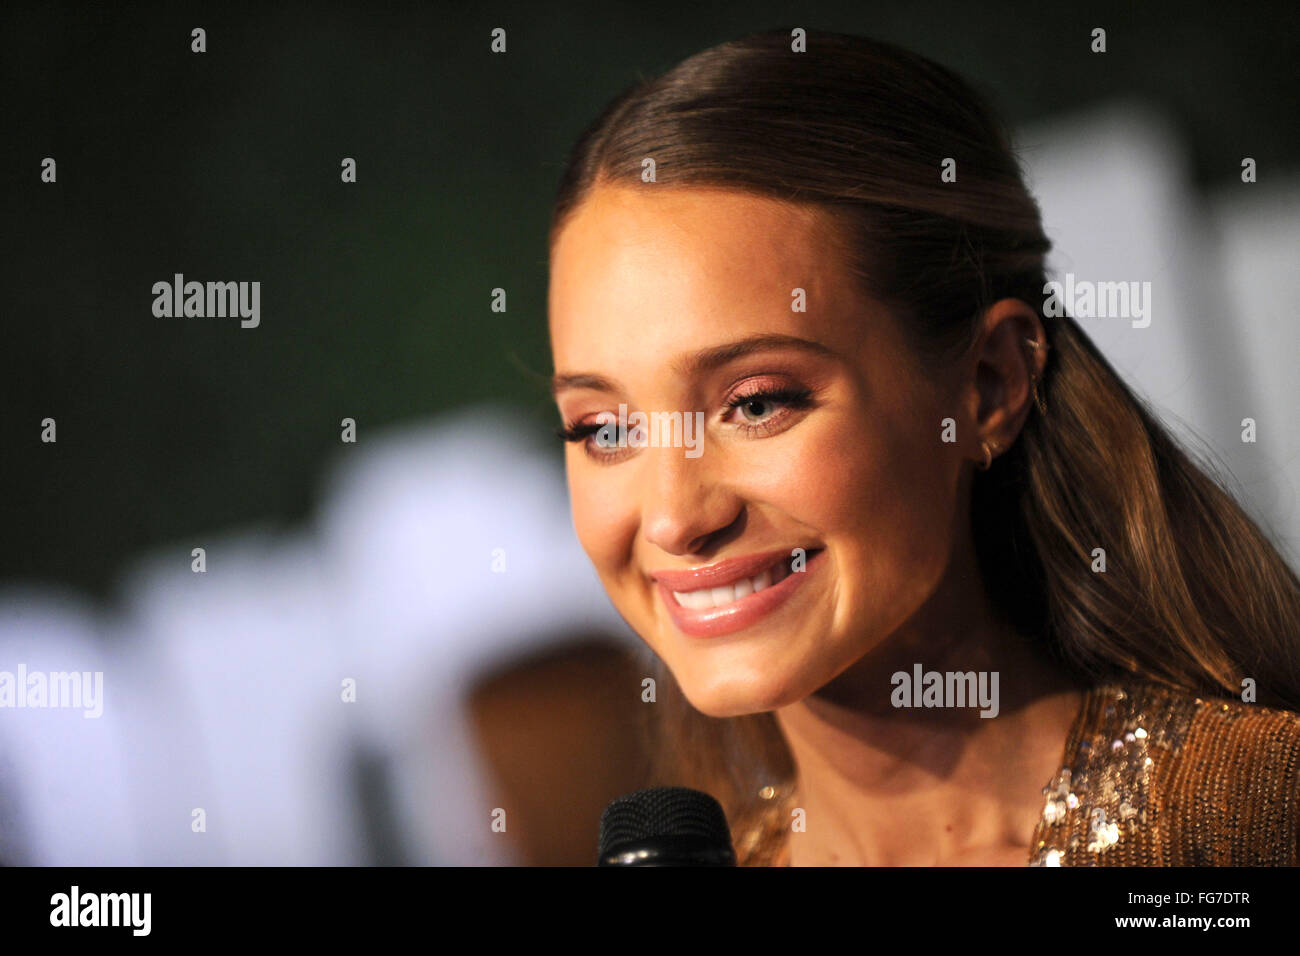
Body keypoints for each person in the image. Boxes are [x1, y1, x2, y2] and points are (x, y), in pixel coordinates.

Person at [545, 29, 1300, 865]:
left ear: (988, 385)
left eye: (755, 404)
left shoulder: (1243, 821)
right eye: (605, 429)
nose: (675, 518)